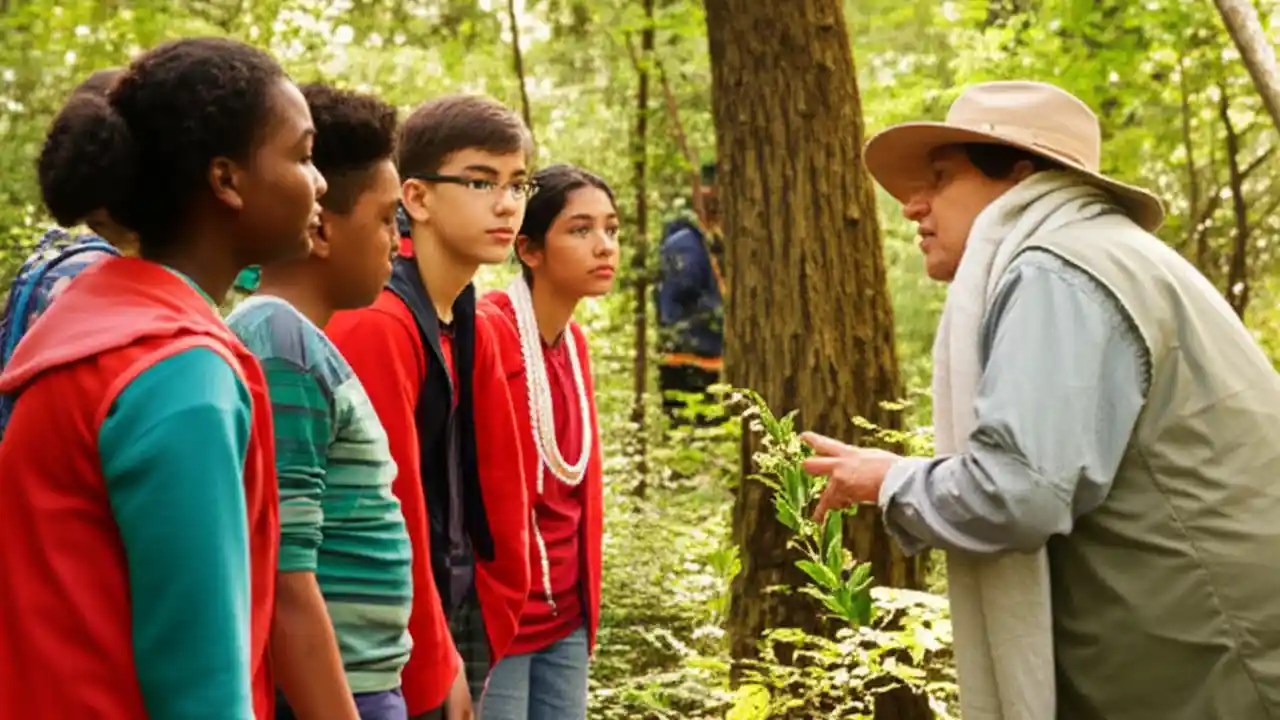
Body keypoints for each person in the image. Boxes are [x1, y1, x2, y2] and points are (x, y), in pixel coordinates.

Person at [801, 80, 1280, 720]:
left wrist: (889, 480)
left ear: (1020, 178)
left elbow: (1018, 493)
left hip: (1203, 665)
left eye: (939, 179)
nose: (913, 206)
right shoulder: (1108, 255)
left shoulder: (1056, 271)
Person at [0, 36, 325, 718]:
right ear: (227, 180)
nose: (318, 181)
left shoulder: (93, 332)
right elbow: (202, 688)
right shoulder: (181, 377)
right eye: (301, 154)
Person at [326, 94, 532, 720]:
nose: (507, 204)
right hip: (386, 646)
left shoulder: (468, 312)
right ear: (415, 198)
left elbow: (497, 485)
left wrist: (491, 613)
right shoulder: (379, 321)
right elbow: (388, 514)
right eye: (480, 181)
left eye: (519, 184)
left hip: (457, 611)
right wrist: (435, 663)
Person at [226, 83, 412, 720]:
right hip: (332, 693)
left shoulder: (300, 342)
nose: (396, 241)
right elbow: (286, 574)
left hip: (364, 678)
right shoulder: (278, 344)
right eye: (387, 218)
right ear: (324, 228)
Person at [476, 164, 614, 719]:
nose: (603, 246)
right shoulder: (487, 330)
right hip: (502, 621)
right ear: (529, 249)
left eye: (611, 228)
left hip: (567, 620)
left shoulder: (573, 344)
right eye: (580, 230)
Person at [655, 162, 724, 423]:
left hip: (708, 359)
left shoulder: (706, 243)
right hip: (687, 361)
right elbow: (682, 292)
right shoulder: (685, 244)